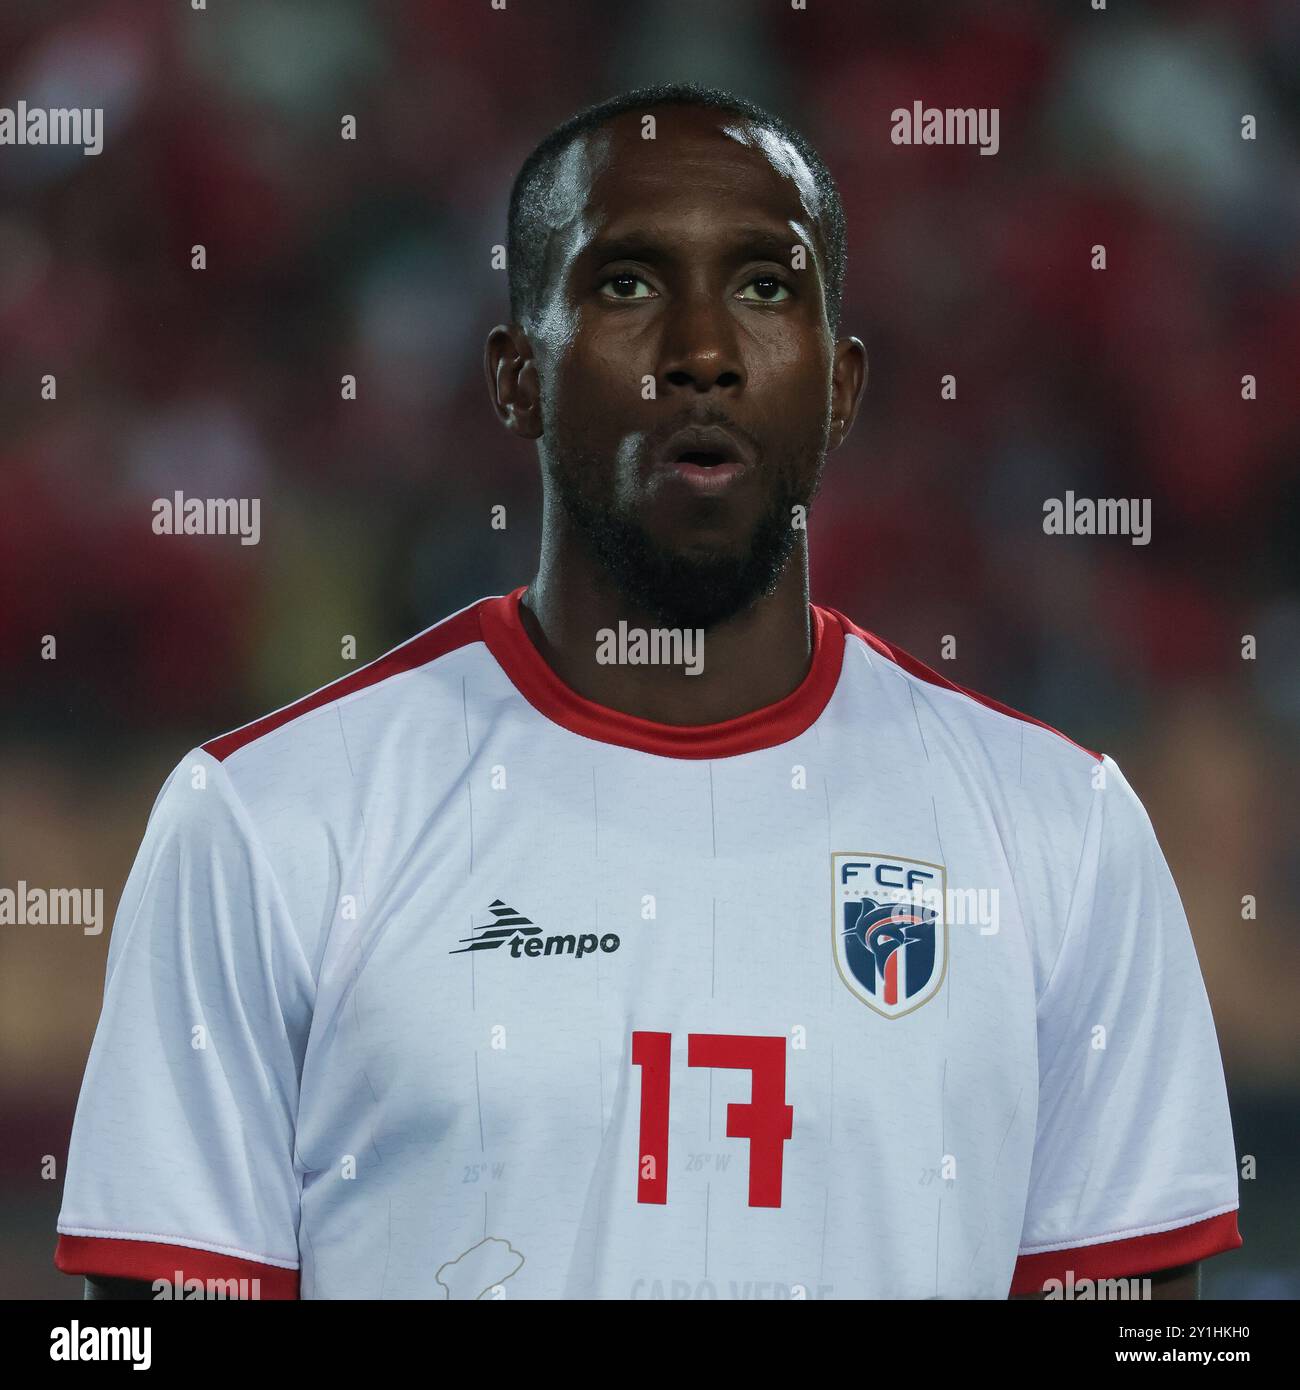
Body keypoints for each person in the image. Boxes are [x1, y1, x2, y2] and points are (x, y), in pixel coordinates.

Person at [57, 83, 1241, 1301]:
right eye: (625, 282)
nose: (704, 353)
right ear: (517, 376)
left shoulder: (1058, 831)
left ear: (840, 385)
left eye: (766, 286)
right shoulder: (268, 820)